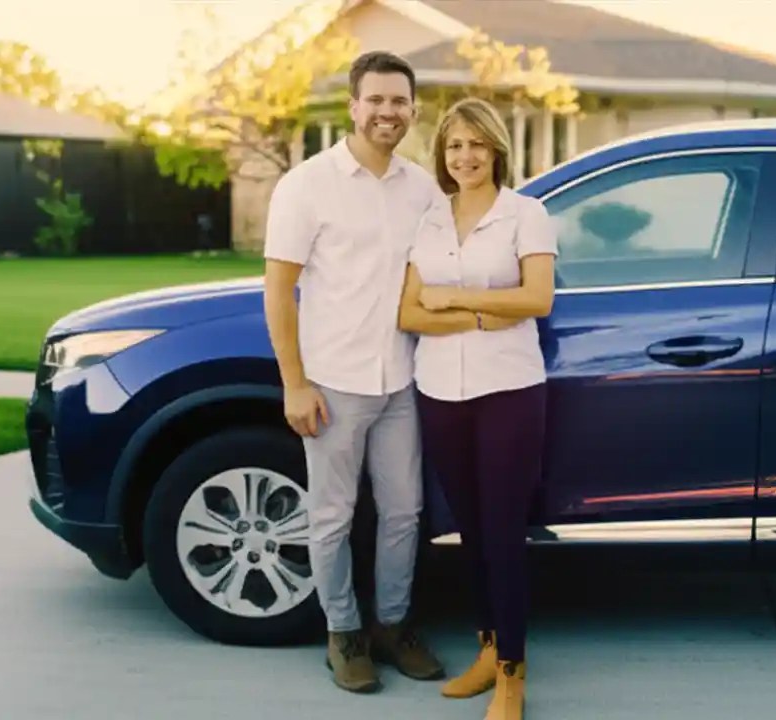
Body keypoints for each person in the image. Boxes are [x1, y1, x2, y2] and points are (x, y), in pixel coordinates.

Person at [262, 50, 446, 694]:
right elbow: (278, 290)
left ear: (412, 109)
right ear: (353, 105)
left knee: (404, 512)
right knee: (332, 517)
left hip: (401, 381)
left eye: (399, 101)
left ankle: (392, 625)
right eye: (376, 100)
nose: (387, 112)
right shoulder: (306, 185)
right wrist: (295, 382)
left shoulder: (423, 188)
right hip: (333, 384)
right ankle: (343, 634)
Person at [397, 97, 557, 720]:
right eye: (454, 145)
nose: (465, 156)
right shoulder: (431, 219)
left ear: (496, 149)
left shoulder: (527, 214)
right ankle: (487, 650)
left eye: (476, 144)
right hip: (440, 391)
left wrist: (454, 303)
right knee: (469, 532)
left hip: (508, 392)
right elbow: (409, 312)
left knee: (502, 535)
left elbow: (538, 298)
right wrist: (486, 314)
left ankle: (513, 676)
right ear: (443, 154)